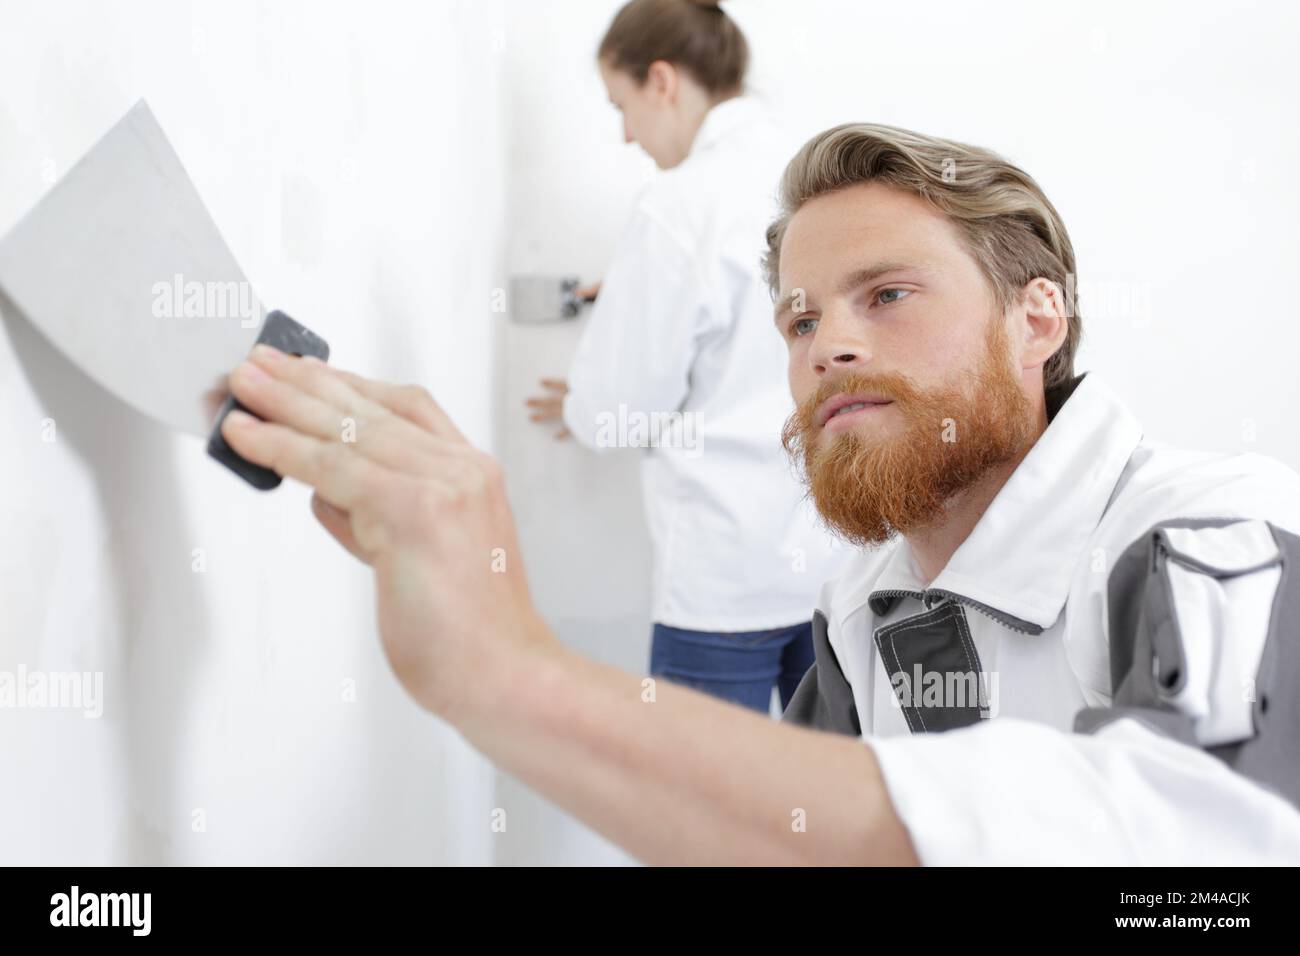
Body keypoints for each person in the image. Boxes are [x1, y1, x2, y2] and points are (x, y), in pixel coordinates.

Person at [217, 120, 1300, 865]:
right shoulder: (857, 603)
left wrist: (505, 672)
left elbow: (1205, 860)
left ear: (1038, 317)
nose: (827, 343)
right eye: (799, 319)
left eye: (886, 293)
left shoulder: (1223, 531)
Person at [524, 0, 849, 714]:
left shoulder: (677, 206)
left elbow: (616, 411)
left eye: (622, 104)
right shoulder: (821, 175)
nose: (625, 133)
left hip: (723, 580)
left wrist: (584, 402)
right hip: (837, 568)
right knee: (821, 808)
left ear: (662, 81)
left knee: (704, 816)